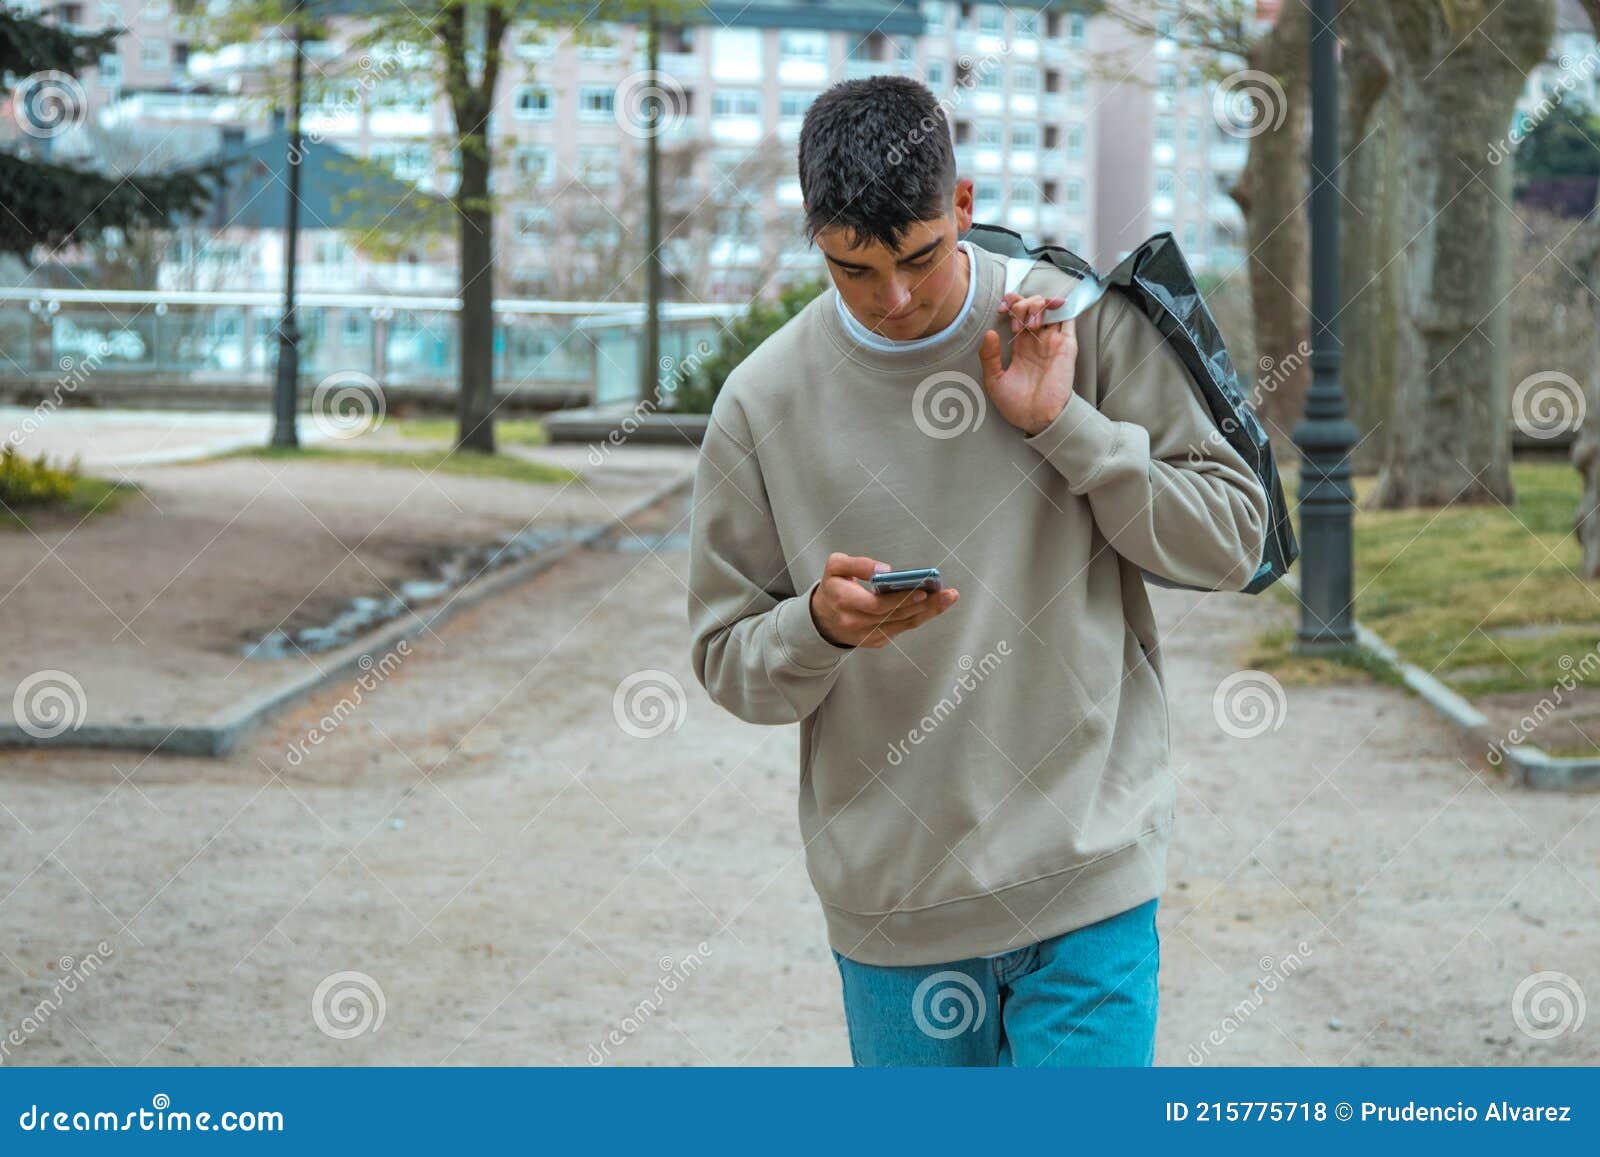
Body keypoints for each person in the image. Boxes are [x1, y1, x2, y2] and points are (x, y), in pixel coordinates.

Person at [683, 75, 1270, 1066]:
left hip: (1087, 878)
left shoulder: (1076, 320)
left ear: (961, 206)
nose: (896, 297)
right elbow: (725, 659)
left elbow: (1230, 538)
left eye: (917, 256)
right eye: (854, 270)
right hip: (897, 911)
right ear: (816, 236)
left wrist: (1064, 425)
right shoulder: (758, 402)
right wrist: (817, 627)